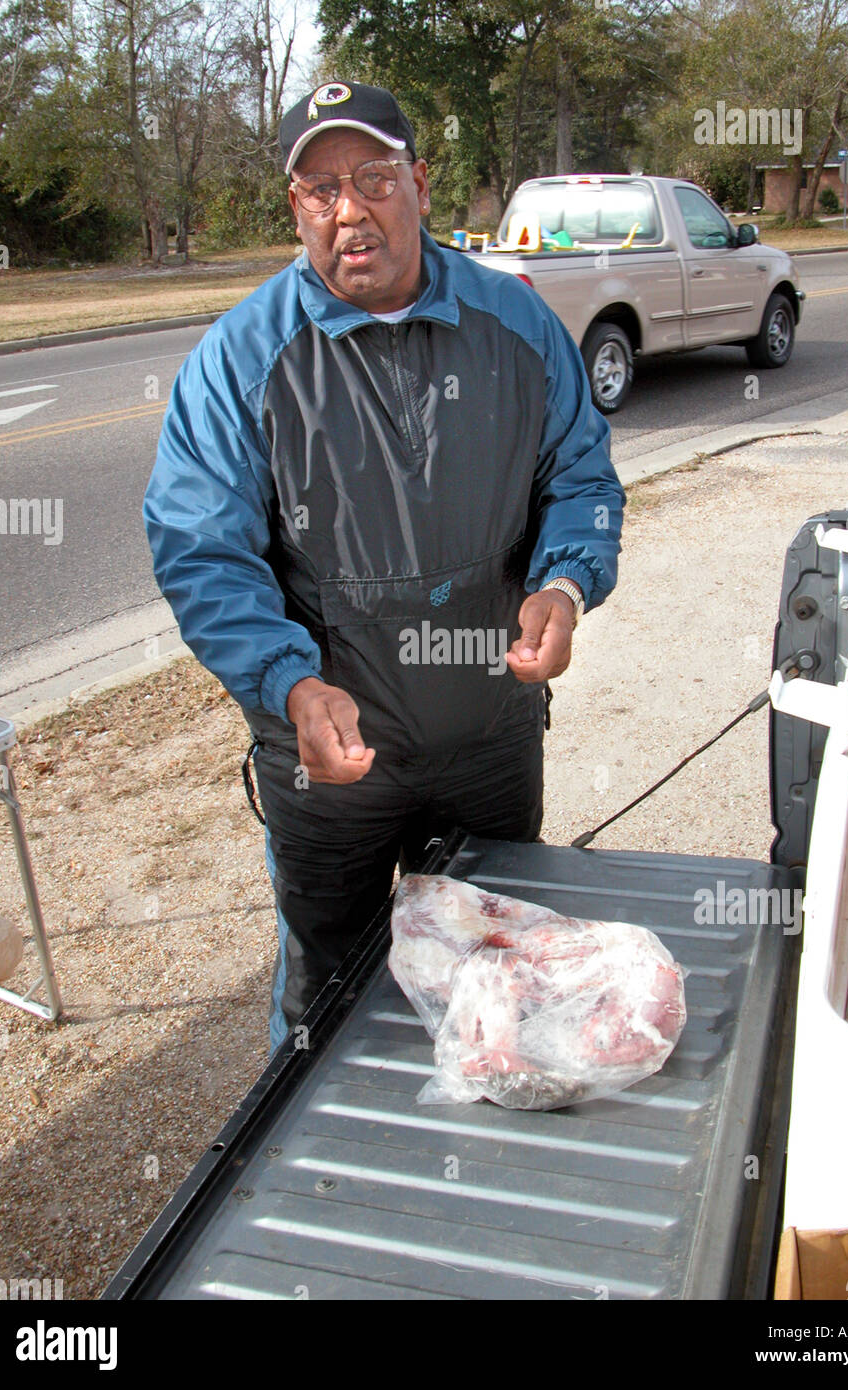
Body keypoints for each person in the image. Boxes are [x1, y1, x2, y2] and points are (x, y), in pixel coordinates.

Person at [144, 82, 626, 1055]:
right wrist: (284, 682)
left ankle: (481, 1152)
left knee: (495, 978)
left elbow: (581, 475)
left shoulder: (515, 325)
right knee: (330, 1007)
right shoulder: (241, 358)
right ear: (295, 209)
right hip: (328, 759)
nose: (349, 209)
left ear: (417, 179)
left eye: (371, 177)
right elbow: (200, 546)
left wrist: (563, 583)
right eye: (319, 189)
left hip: (487, 734)